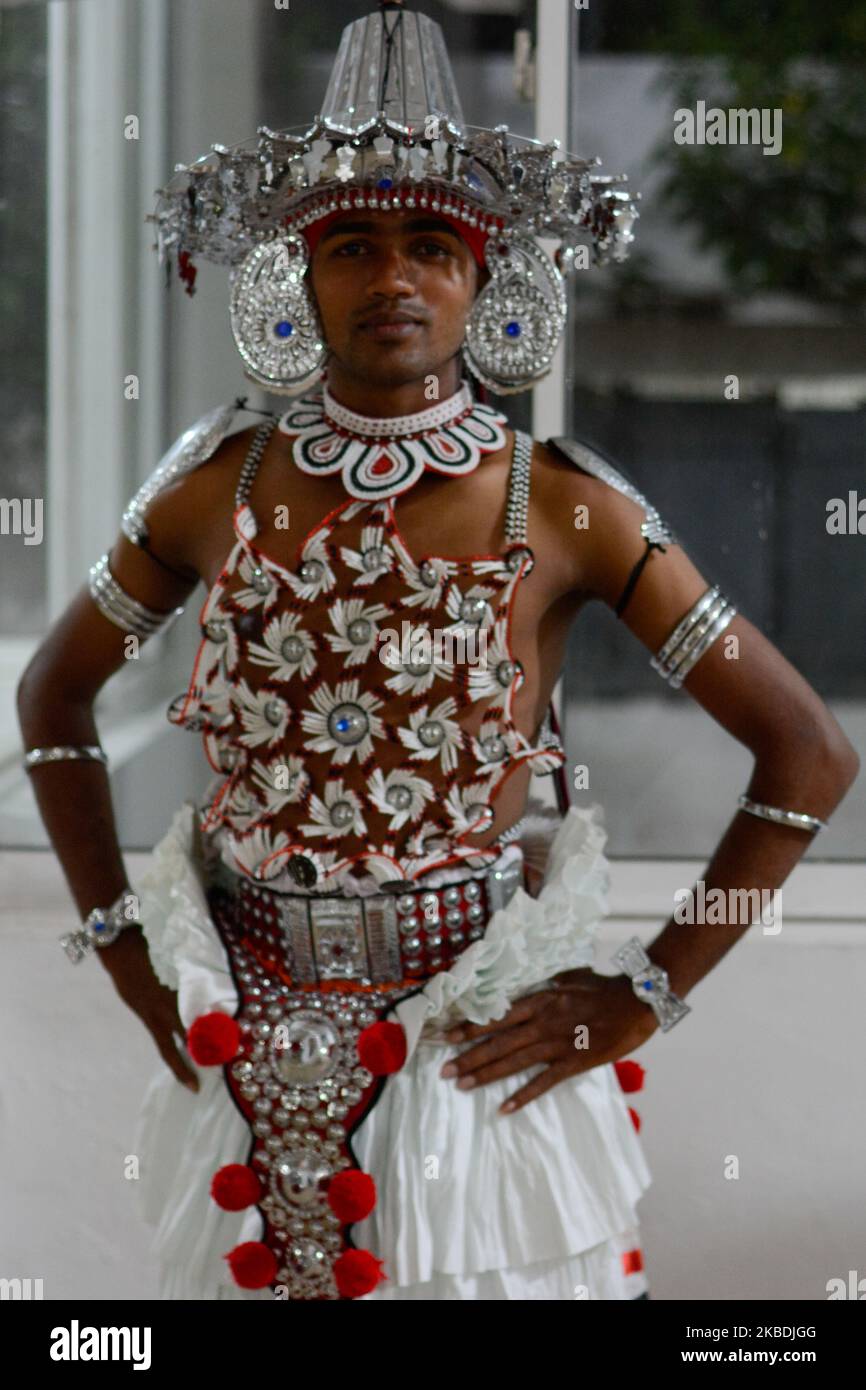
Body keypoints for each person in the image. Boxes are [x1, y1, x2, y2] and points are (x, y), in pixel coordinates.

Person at [17, 1, 859, 1302]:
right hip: (245, 1038)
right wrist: (124, 945)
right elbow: (56, 695)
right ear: (296, 277)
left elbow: (804, 751)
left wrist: (645, 989)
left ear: (487, 275)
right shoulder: (213, 482)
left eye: (430, 244)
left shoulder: (567, 503)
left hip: (474, 1035)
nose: (393, 278)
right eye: (351, 245)